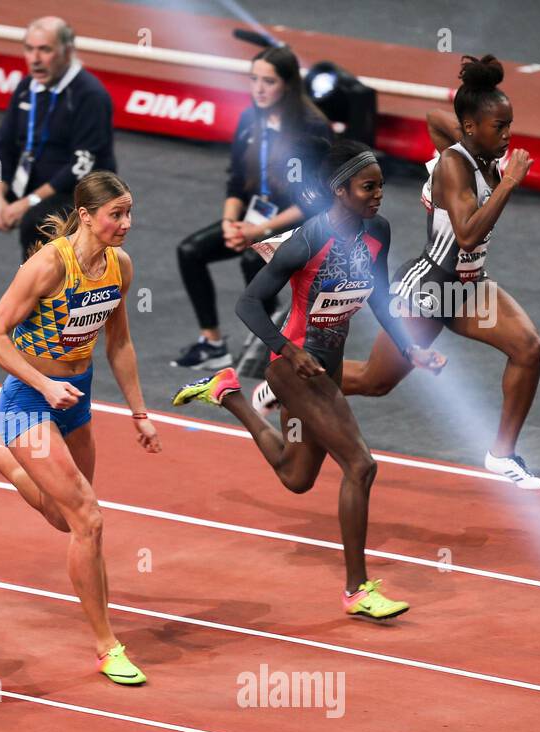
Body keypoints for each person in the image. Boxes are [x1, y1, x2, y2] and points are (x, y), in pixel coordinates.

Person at [173, 142, 445, 619]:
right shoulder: (306, 240)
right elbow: (248, 303)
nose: (378, 194)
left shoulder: (377, 231)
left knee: (296, 476)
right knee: (361, 466)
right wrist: (287, 350)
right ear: (339, 190)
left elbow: (380, 298)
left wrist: (410, 348)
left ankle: (228, 393)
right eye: (368, 186)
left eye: (381, 185)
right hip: (294, 369)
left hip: (329, 368)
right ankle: (356, 590)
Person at [0, 171, 161, 683]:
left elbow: (119, 342)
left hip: (78, 396)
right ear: (87, 215)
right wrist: (44, 385)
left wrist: (139, 412)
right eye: (116, 214)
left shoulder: (120, 268)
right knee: (88, 520)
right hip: (30, 398)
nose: (126, 223)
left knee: (62, 517)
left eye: (129, 212)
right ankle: (106, 645)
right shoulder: (48, 266)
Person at [263, 55, 540, 489]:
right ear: (472, 126)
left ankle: (501, 455)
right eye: (499, 126)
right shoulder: (453, 167)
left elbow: (436, 117)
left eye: (509, 124)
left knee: (529, 348)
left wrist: (473, 140)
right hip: (431, 287)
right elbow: (467, 235)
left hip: (470, 286)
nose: (507, 135)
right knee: (378, 382)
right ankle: (290, 385)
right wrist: (506, 182)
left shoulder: (480, 152)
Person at [0, 16, 117, 328]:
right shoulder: (26, 88)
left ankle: (34, 318)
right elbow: (3, 147)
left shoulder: (90, 95)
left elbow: (80, 165)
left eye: (44, 50)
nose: (35, 58)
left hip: (79, 193)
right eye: (29, 49)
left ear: (67, 50)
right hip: (27, 184)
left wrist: (27, 202)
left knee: (37, 222)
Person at [172, 44, 331, 371]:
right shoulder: (249, 120)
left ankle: (272, 331)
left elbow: (314, 200)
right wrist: (232, 223)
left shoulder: (312, 128)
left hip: (302, 223)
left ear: (287, 84)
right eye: (253, 79)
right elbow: (236, 182)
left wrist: (257, 232)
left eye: (268, 82)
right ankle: (213, 344)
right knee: (189, 251)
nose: (258, 88)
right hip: (256, 218)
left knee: (251, 256)